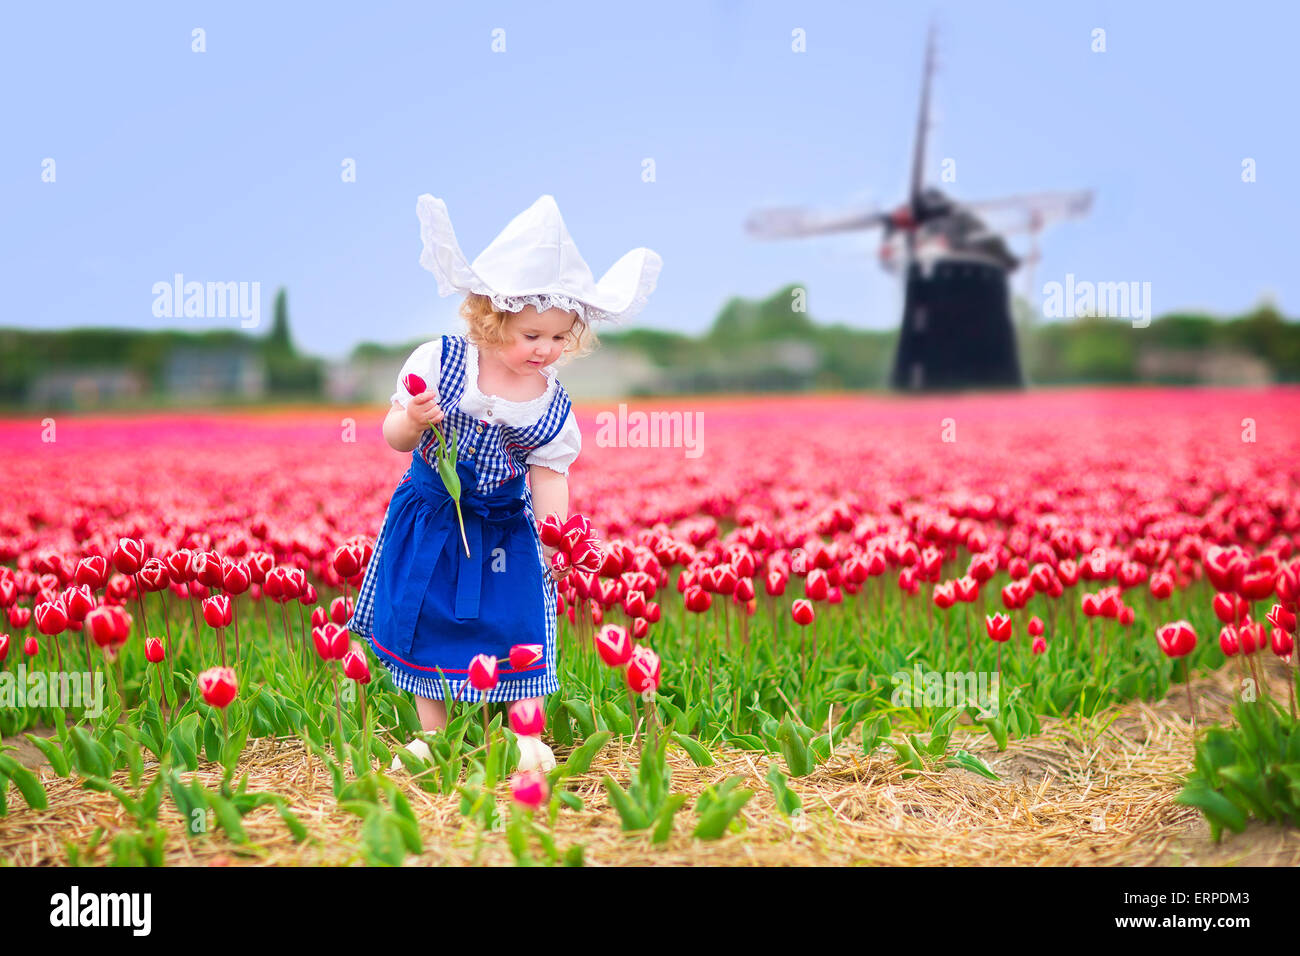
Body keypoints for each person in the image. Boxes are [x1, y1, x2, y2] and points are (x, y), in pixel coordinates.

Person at [346, 193, 661, 772]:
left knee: (519, 617)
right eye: (531, 336)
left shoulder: (551, 406)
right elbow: (394, 436)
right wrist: (411, 421)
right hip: (434, 515)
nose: (545, 350)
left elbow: (549, 476)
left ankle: (526, 733)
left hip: (502, 526)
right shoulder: (440, 363)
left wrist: (553, 541)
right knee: (429, 613)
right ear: (491, 321)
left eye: (559, 338)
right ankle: (433, 732)